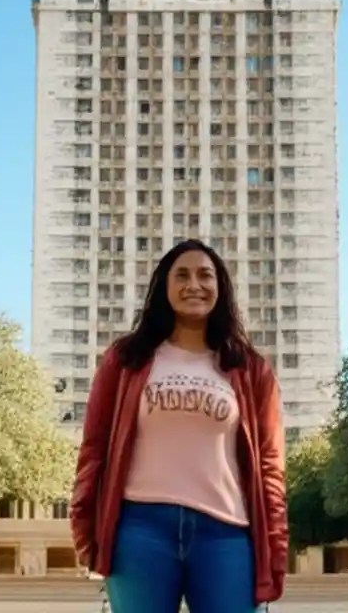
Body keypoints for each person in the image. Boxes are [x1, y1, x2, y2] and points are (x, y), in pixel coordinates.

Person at [70, 239, 288, 613]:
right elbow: (94, 449)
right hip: (140, 529)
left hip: (225, 531)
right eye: (182, 275)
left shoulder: (250, 369)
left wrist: (276, 544)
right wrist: (84, 523)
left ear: (220, 288)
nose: (194, 285)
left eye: (205, 275)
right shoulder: (126, 360)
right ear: (164, 287)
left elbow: (270, 467)